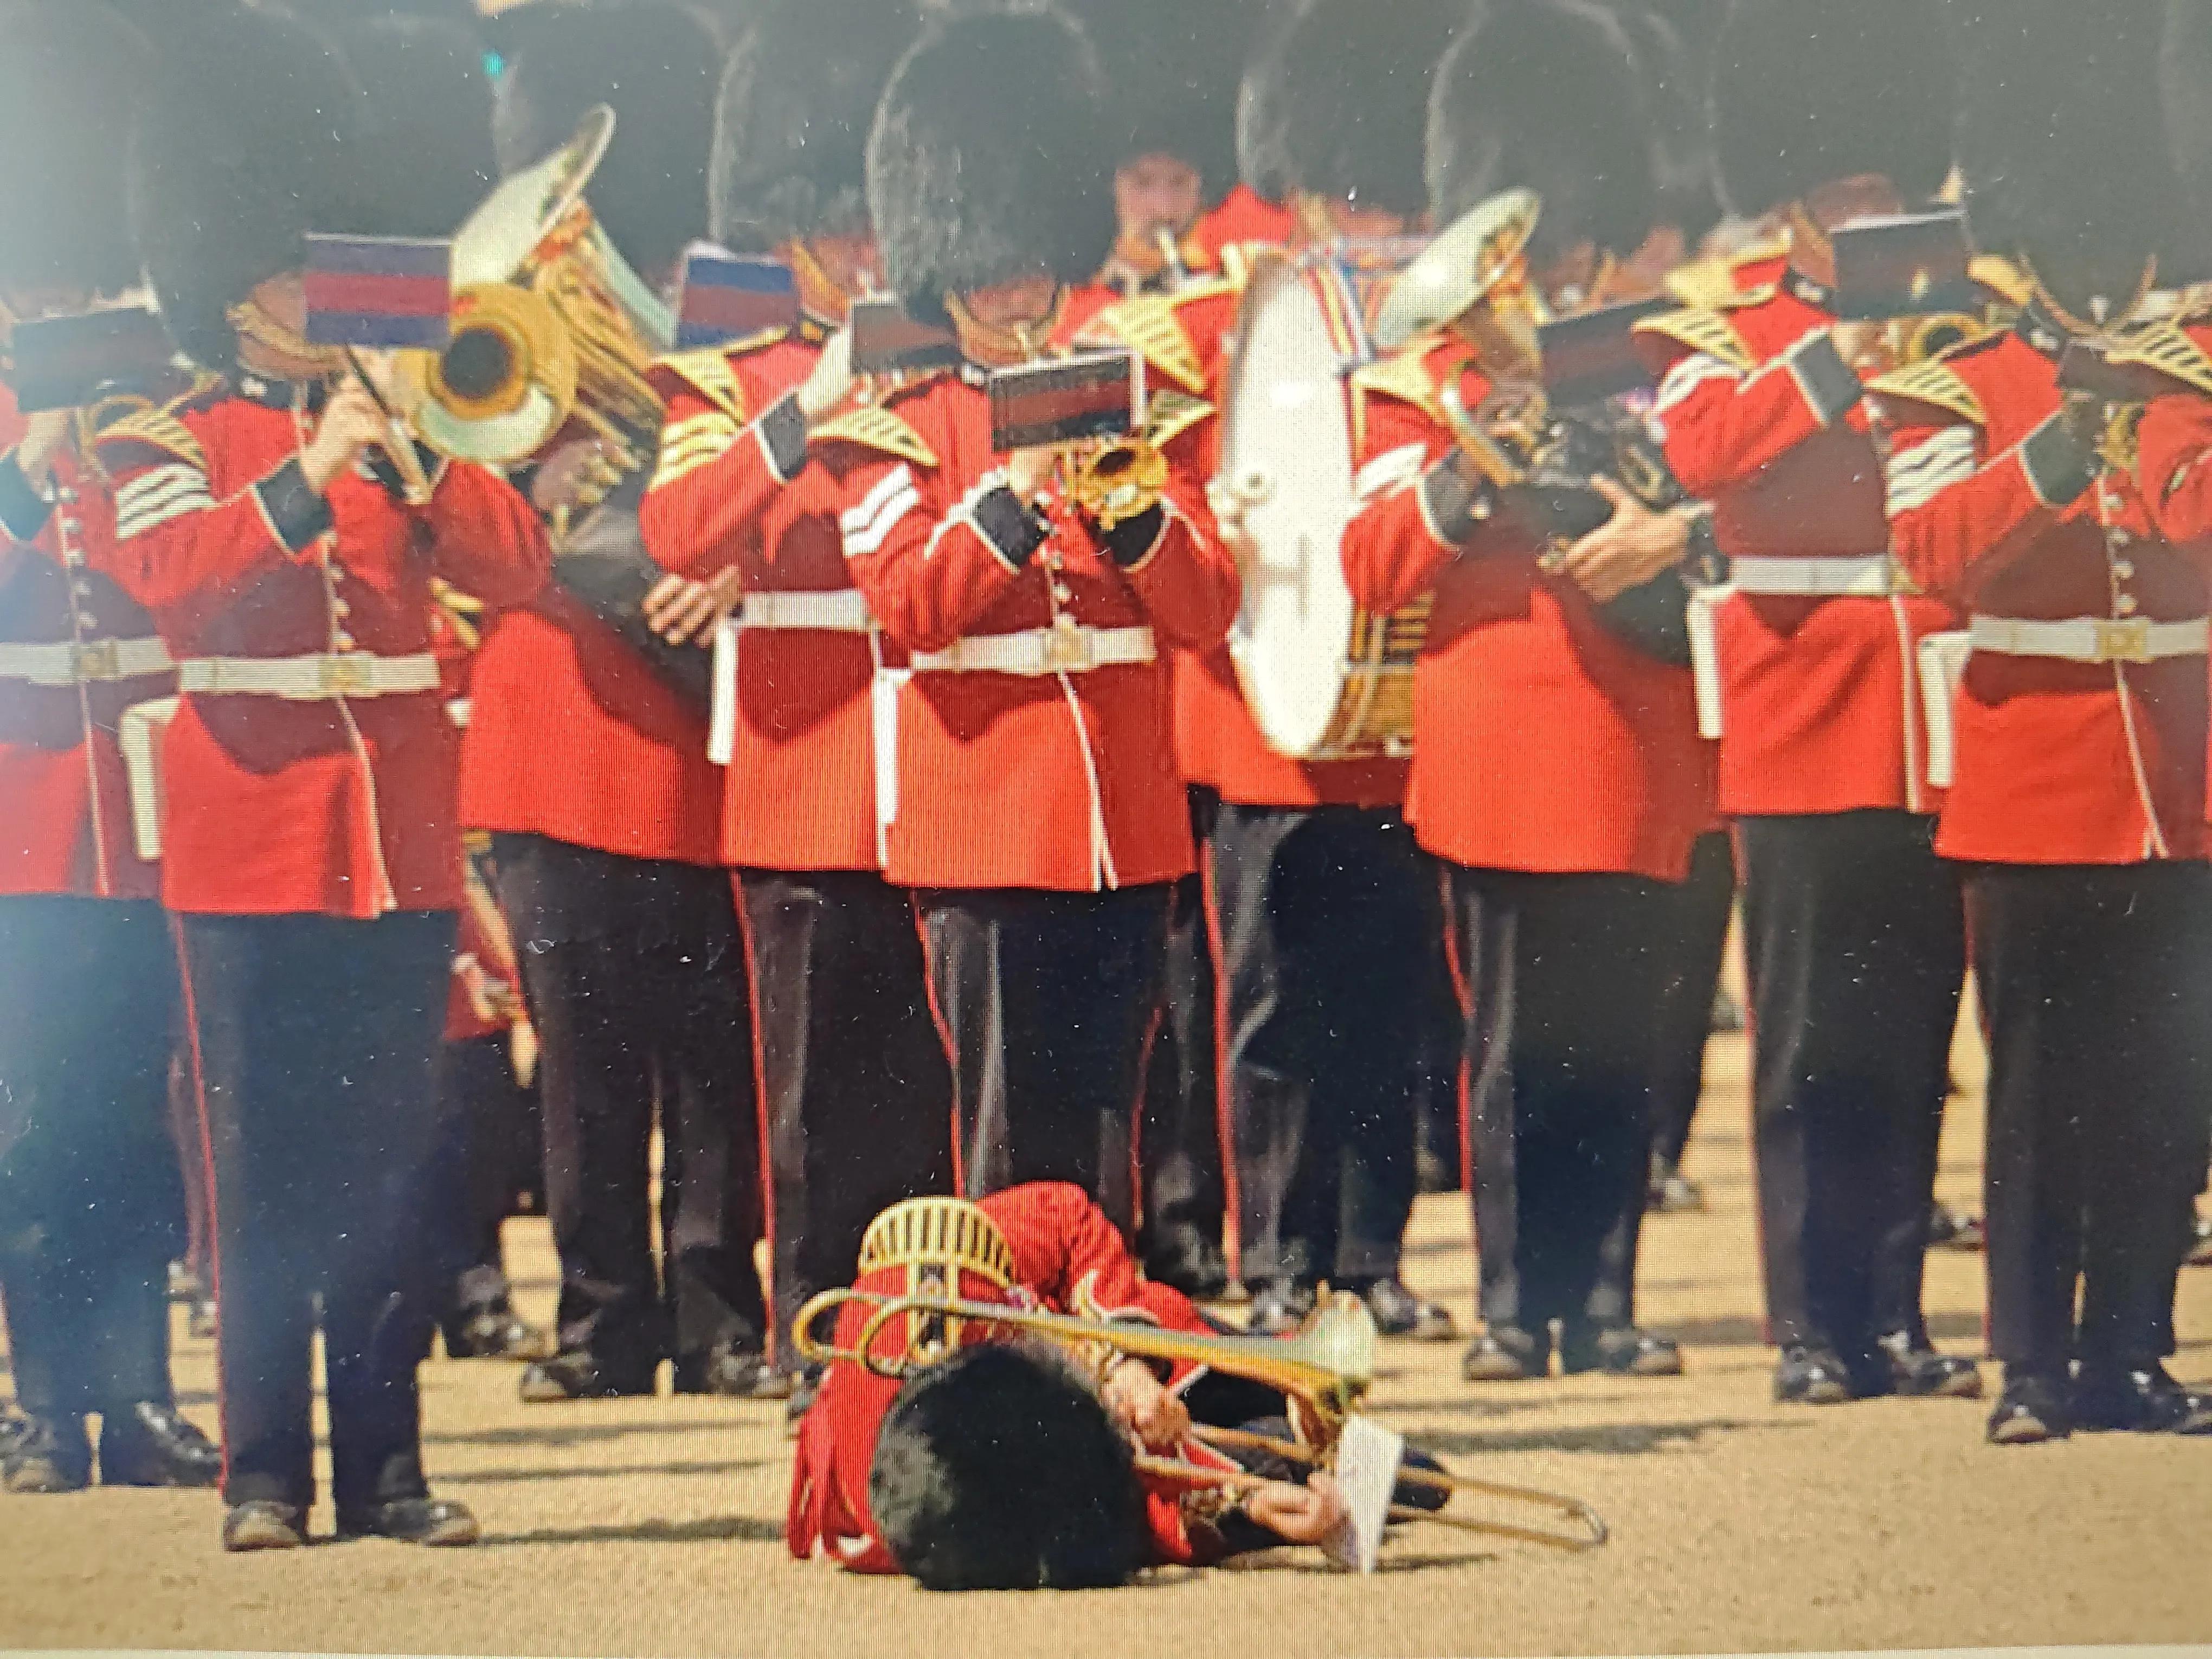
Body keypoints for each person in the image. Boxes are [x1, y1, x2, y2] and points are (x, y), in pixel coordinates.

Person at [108, 7, 550, 1548]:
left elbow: (522, 562)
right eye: (298, 275)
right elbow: (174, 575)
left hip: (395, 855)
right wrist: (308, 474)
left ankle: (390, 1469)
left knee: (390, 1167)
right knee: (262, 1176)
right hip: (248, 849)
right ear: (237, 290)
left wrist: (416, 459)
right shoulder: (171, 426)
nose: (324, 296)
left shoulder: (407, 429)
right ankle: (262, 1474)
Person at [1329, 0, 1700, 1382]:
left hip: (1626, 728)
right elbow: (1370, 560)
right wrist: (1470, 461)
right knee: (1502, 1044)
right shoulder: (1426, 380)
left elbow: (1709, 500)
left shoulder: (1659, 361)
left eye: (1570, 250)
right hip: (1496, 725)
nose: (1551, 275)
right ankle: (1505, 1309)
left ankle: (1595, 1301)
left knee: (1620, 1032)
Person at [831, 6, 1240, 1236]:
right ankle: (1016, 1378)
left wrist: (1127, 515)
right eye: (988, 273)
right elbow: (911, 606)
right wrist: (1010, 498)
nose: (1014, 295)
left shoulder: (1132, 388)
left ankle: (1104, 1372)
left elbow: (1205, 608)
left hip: (1121, 816)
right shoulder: (894, 410)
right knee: (1010, 1141)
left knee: (1121, 1132)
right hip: (984, 820)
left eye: (1029, 268)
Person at [1634, 0, 1978, 1405]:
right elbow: (1709, 448)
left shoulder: (1955, 311)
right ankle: (1807, 1327)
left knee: (1912, 1038)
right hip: (1801, 711)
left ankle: (1891, 1314)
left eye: (1885, 191)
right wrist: (1840, 353)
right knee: (1806, 1045)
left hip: (1925, 717)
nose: (1873, 210)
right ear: (1795, 204)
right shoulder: (1729, 324)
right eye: (1850, 194)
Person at [1883, 0, 2212, 1442]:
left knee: (2164, 1090)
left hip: (2180, 779)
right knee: (2036, 1097)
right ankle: (2031, 1364)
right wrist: (2048, 455)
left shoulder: (2192, 371)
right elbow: (1935, 554)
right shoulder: (1964, 375)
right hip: (2034, 776)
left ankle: (2133, 1352)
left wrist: (2160, 426)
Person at [462, 0, 780, 1404]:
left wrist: (732, 572)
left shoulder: (729, 305)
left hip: (697, 722)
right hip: (558, 712)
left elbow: (779, 488)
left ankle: (716, 1307)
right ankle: (601, 1318)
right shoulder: (499, 317)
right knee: (585, 1064)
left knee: (715, 1056)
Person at [638, 0, 951, 1413]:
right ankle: (810, 1325)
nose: (866, 245)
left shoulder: (946, 345)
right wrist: (806, 406)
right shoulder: (736, 357)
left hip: (941, 747)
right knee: (813, 1089)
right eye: (843, 221)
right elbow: (677, 519)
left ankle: (930, 1314)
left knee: (926, 1072)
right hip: (806, 740)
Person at [1181, 0, 1472, 1340]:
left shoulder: (1438, 332)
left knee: (1385, 1002)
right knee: (1275, 1008)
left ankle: (1368, 1255)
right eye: (1349, 201)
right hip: (1269, 709)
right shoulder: (1216, 320)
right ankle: (1274, 1257)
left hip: (1395, 714)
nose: (1371, 226)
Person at [0, 0, 220, 1497]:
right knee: (26, 1121)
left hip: (137, 807)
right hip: (19, 802)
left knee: (135, 1113)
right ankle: (39, 1403)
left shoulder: (159, 395)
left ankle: (134, 1395)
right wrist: (24, 486)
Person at [792, 1186, 1434, 1583]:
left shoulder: (947, 1278)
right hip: (1150, 1453)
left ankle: (1275, 1377)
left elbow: (1066, 1216)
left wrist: (1121, 1362)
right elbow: (1121, 1527)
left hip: (1152, 1346)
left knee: (1391, 1463)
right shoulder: (917, 1528)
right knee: (1410, 1481)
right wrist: (1237, 1513)